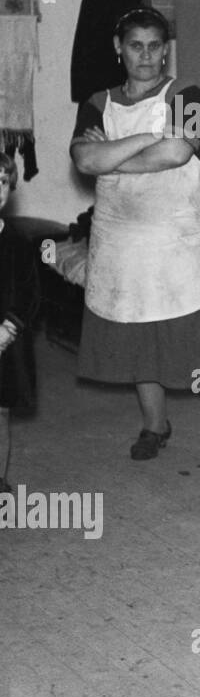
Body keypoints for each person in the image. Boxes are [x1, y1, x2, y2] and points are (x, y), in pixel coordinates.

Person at [70, 7, 200, 460]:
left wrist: (110, 154)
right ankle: (155, 425)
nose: (147, 55)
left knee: (198, 343)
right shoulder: (97, 101)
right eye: (136, 45)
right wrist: (145, 139)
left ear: (166, 49)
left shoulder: (190, 94)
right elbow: (84, 162)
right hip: (122, 240)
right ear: (119, 48)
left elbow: (176, 153)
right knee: (137, 335)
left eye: (155, 46)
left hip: (176, 239)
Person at [0, 153, 39, 493]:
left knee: (0, 414)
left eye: (1, 181)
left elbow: (29, 293)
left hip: (3, 344)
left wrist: (8, 328)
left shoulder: (18, 242)